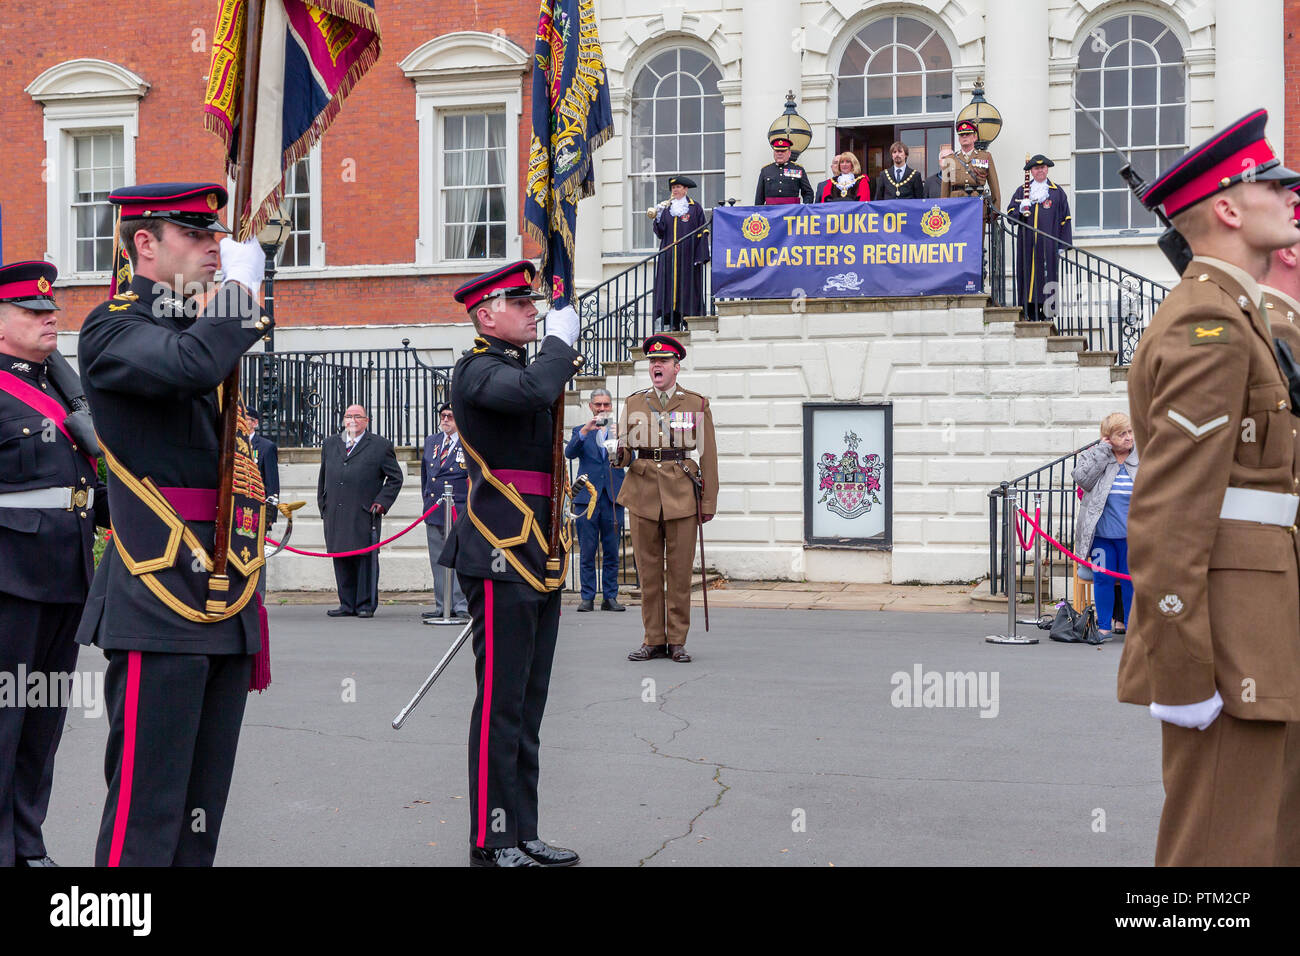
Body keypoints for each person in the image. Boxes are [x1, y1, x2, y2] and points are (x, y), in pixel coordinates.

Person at [1117, 108, 1300, 866]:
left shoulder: (1239, 315)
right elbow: (1167, 514)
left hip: (1260, 615)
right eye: (1273, 185)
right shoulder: (1209, 328)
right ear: (1228, 207)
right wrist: (1185, 672)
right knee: (1221, 850)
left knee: (1268, 839)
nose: (1292, 197)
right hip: (1228, 637)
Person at [75, 181, 271, 866]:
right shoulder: (112, 327)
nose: (215, 246)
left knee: (198, 809)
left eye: (217, 235)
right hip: (158, 590)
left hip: (224, 583)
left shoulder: (200, 323)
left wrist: (230, 308)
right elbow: (189, 366)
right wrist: (241, 300)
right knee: (147, 808)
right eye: (196, 234)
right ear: (146, 245)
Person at [440, 259, 585, 867]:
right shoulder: (476, 371)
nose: (532, 309)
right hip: (500, 549)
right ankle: (491, 839)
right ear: (485, 316)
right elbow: (536, 392)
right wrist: (559, 342)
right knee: (501, 705)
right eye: (518, 303)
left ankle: (521, 830)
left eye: (533, 303)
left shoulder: (517, 368)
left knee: (528, 703)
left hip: (536, 550)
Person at [0, 261, 108, 866]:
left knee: (41, 720)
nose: (49, 319)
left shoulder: (65, 388)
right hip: (8, 573)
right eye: (32, 312)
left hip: (66, 572)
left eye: (50, 311)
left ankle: (26, 841)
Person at [612, 334, 717, 663]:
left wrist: (708, 502)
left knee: (680, 572)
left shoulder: (695, 404)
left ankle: (677, 640)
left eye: (663, 361)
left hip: (681, 494)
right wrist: (618, 453)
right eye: (652, 362)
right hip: (642, 492)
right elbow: (626, 451)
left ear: (676, 367)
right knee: (648, 571)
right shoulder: (633, 403)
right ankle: (653, 638)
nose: (656, 366)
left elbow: (708, 455)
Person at [317, 405, 403, 619]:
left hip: (364, 512)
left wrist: (381, 502)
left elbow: (395, 478)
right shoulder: (330, 444)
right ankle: (346, 603)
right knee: (341, 557)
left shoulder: (380, 446)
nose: (352, 420)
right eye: (348, 416)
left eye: (357, 416)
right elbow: (323, 477)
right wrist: (323, 505)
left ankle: (365, 604)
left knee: (365, 559)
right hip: (336, 512)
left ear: (367, 420)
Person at [1072, 413, 1138, 637]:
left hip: (1133, 536)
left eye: (1130, 432)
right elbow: (1083, 480)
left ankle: (1131, 627)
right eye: (1122, 434)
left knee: (1131, 581)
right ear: (1107, 438)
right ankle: (1103, 628)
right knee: (1103, 579)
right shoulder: (1095, 456)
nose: (1129, 438)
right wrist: (1102, 452)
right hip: (1102, 535)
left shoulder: (1143, 457)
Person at [565, 388, 625, 613]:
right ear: (590, 406)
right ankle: (587, 597)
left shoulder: (618, 431)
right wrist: (584, 431)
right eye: (598, 405)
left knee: (611, 550)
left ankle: (610, 597)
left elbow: (631, 459)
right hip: (587, 499)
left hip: (612, 497)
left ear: (611, 406)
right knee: (588, 550)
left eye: (606, 405)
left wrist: (621, 439)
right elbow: (570, 453)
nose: (602, 409)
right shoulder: (581, 430)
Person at [1007, 155, 1073, 321]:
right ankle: (1028, 311)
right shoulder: (1022, 191)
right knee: (1027, 275)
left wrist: (1062, 245)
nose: (1040, 170)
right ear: (1031, 171)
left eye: (1043, 167)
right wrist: (1020, 210)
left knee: (1048, 276)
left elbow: (1066, 219)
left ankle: (1047, 314)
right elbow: (1010, 216)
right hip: (1026, 244)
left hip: (1049, 245)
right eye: (1036, 168)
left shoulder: (1057, 192)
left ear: (1047, 169)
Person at [420, 403, 468, 621]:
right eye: (443, 415)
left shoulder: (467, 443)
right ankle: (441, 604)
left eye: (450, 416)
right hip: (435, 508)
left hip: (458, 509)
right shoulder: (433, 441)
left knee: (458, 558)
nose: (445, 419)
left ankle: (459, 604)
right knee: (437, 559)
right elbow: (426, 476)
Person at [649, 175, 710, 332]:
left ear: (685, 189)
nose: (675, 190)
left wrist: (700, 256)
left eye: (678, 187)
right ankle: (672, 320)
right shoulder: (667, 208)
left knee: (688, 288)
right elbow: (660, 232)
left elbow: (702, 232)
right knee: (669, 288)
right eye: (673, 188)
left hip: (688, 257)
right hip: (669, 257)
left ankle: (688, 318)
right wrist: (658, 217)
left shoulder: (694, 208)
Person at [942, 120, 1000, 215]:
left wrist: (995, 209)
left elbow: (994, 185)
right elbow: (945, 189)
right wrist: (944, 208)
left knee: (978, 230)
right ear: (958, 139)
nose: (964, 136)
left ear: (975, 137)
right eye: (961, 135)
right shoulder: (950, 159)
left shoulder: (985, 156)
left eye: (968, 134)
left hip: (977, 202)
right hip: (956, 203)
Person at [754, 135, 813, 206]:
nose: (779, 153)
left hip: (792, 212)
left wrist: (803, 207)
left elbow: (808, 193)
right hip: (771, 212)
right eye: (777, 151)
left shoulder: (797, 169)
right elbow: (759, 198)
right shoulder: (766, 170)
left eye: (783, 151)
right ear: (774, 153)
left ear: (789, 153)